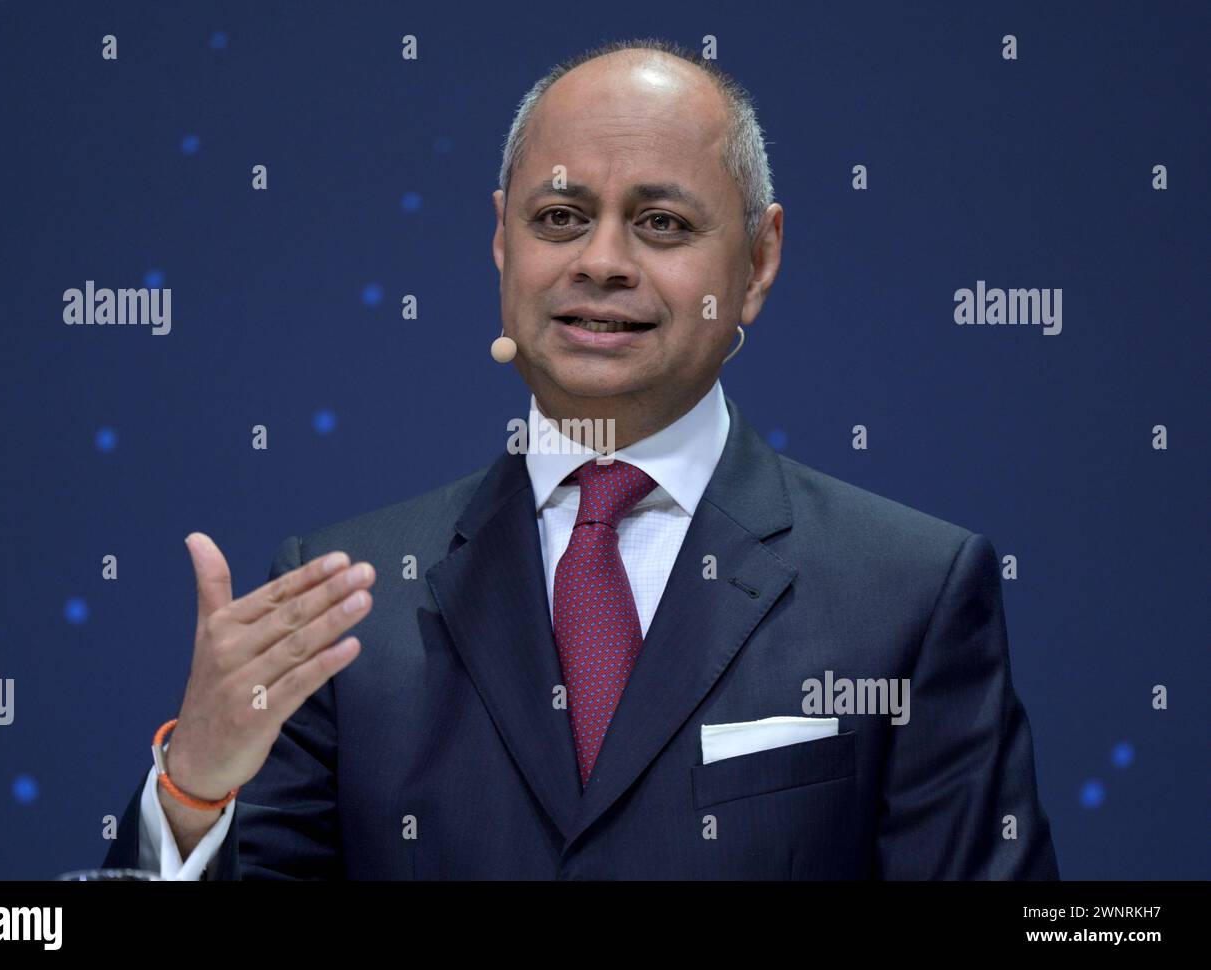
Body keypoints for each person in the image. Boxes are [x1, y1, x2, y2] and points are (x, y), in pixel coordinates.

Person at [103, 38, 1059, 880]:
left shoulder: (909, 593)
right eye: (559, 218)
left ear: (759, 262)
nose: (601, 261)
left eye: (662, 223)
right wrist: (192, 794)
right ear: (500, 240)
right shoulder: (347, 604)